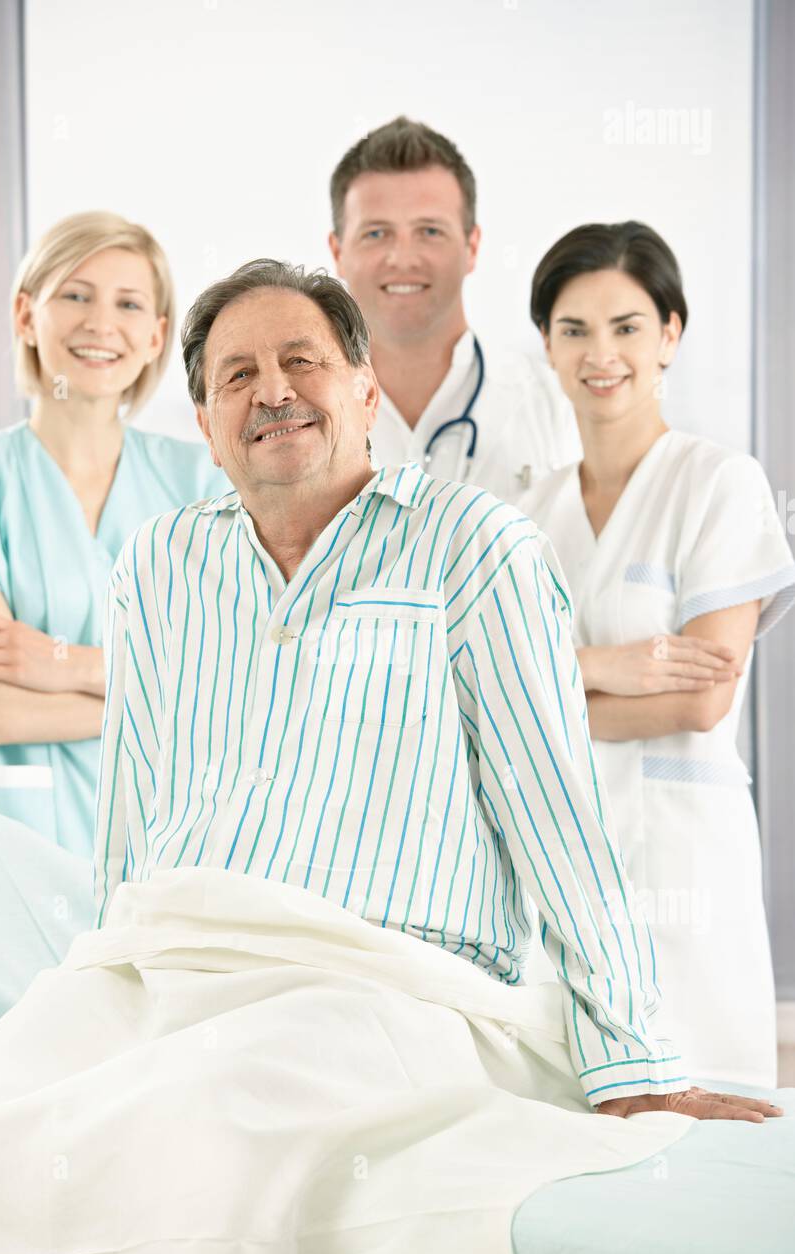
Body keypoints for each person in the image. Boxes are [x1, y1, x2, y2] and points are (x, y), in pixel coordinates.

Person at [93, 255, 780, 1124]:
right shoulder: (158, 564)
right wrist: (103, 991)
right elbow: (126, 815)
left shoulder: (476, 547)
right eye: (239, 375)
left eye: (302, 362)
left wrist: (633, 1063)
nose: (272, 392)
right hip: (175, 969)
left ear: (366, 392)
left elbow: (555, 815)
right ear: (204, 419)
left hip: (379, 980)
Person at [520, 220, 795, 1088]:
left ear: (670, 334)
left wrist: (552, 689)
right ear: (548, 347)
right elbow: (483, 696)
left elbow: (701, 699)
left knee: (711, 1104)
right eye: (575, 329)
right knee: (573, 1117)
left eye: (627, 326)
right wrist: (605, 667)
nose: (601, 354)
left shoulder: (719, 484)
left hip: (686, 859)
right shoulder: (529, 512)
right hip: (560, 865)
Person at [0, 211, 228, 857]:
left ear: (154, 337)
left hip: (179, 849)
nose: (100, 324)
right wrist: (170, 701)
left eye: (127, 303)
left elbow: (243, 684)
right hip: (20, 851)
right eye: (75, 295)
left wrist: (58, 663)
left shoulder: (206, 487)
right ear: (24, 315)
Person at [327, 116, 581, 501]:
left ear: (472, 247)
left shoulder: (555, 407)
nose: (402, 258)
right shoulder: (302, 412)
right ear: (338, 252)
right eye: (376, 233)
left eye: (430, 231)